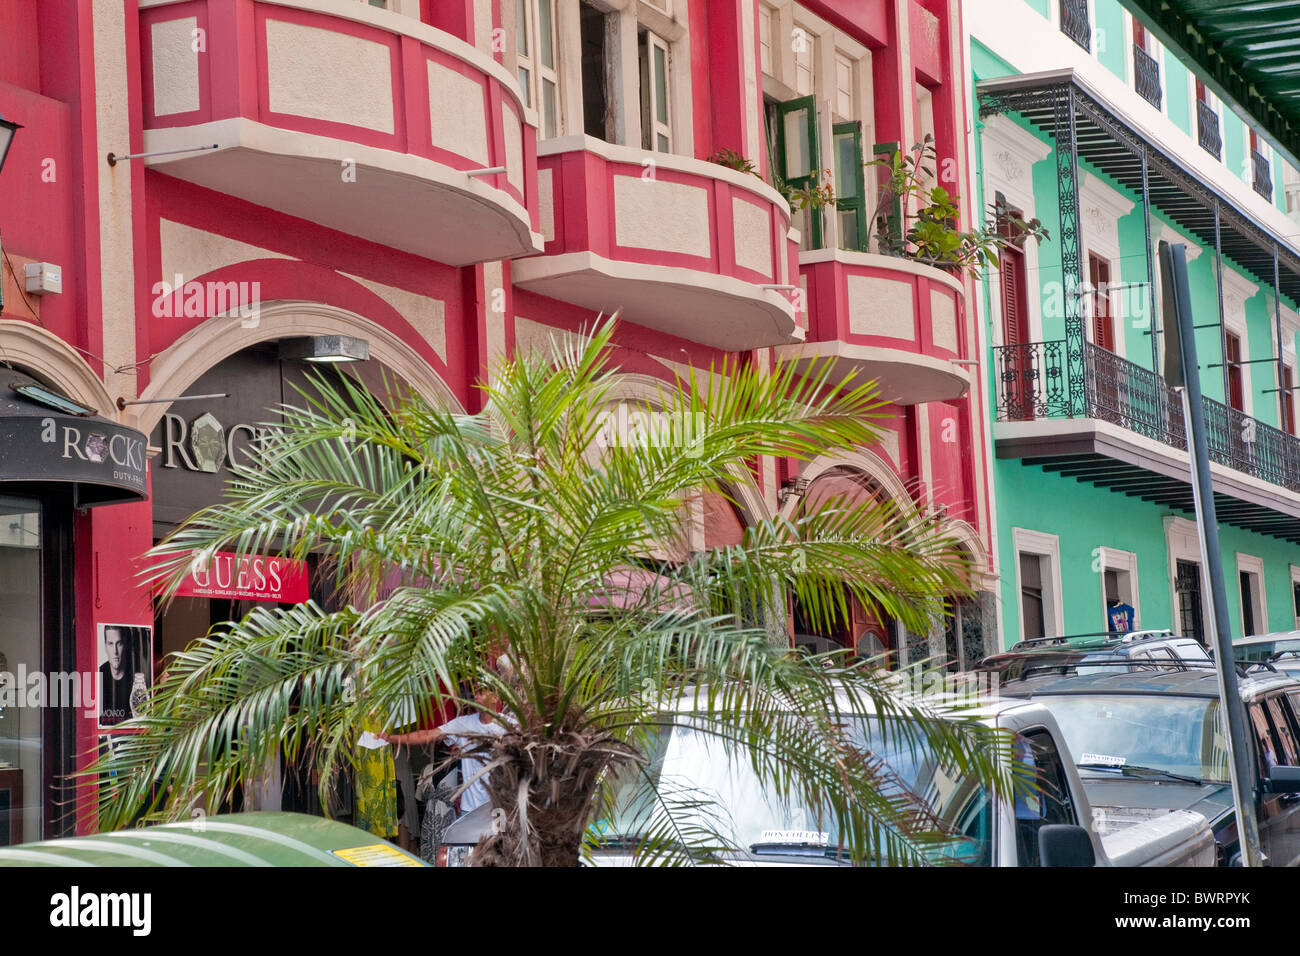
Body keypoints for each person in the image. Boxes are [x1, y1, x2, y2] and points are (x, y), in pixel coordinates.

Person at [381, 686, 506, 816]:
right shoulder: (463, 724)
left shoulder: (509, 726)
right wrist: (392, 738)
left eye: (481, 693)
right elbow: (428, 735)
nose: (476, 697)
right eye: (475, 693)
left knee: (502, 836)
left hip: (498, 808)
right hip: (469, 808)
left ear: (495, 698)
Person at [99, 626, 133, 726]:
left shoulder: (137, 676)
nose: (115, 651)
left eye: (119, 644)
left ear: (125, 645)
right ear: (105, 646)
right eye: (110, 644)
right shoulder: (98, 675)